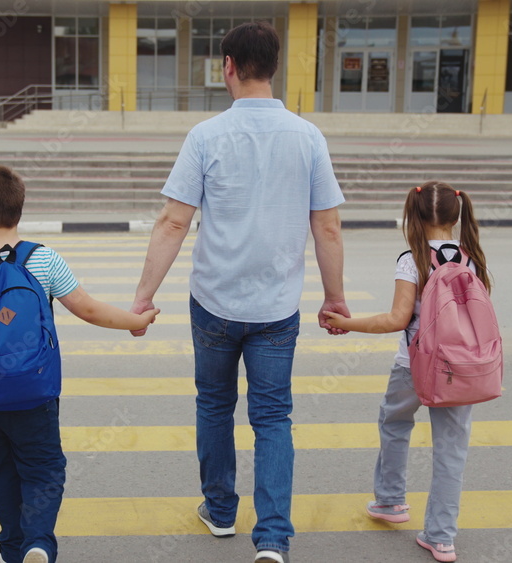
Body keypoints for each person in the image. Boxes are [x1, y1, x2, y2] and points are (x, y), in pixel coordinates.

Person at [129, 21, 349, 563]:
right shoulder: (308, 137)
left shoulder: (206, 136)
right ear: (274, 67)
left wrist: (141, 300)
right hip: (277, 309)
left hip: (214, 304)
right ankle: (273, 537)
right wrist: (334, 298)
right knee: (273, 418)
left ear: (228, 66)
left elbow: (173, 224)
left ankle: (221, 510)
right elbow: (328, 227)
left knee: (214, 407)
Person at [0, 164, 159, 563]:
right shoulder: (44, 259)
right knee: (44, 468)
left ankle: (13, 547)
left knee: (0, 470)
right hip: (36, 391)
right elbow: (88, 309)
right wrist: (136, 322)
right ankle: (38, 544)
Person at [322, 181, 491, 563]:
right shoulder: (472, 259)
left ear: (411, 215)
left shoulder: (412, 259)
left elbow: (396, 319)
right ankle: (442, 537)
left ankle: (391, 501)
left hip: (415, 367)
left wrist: (347, 323)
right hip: (461, 370)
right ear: (457, 214)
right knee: (451, 450)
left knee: (395, 422)